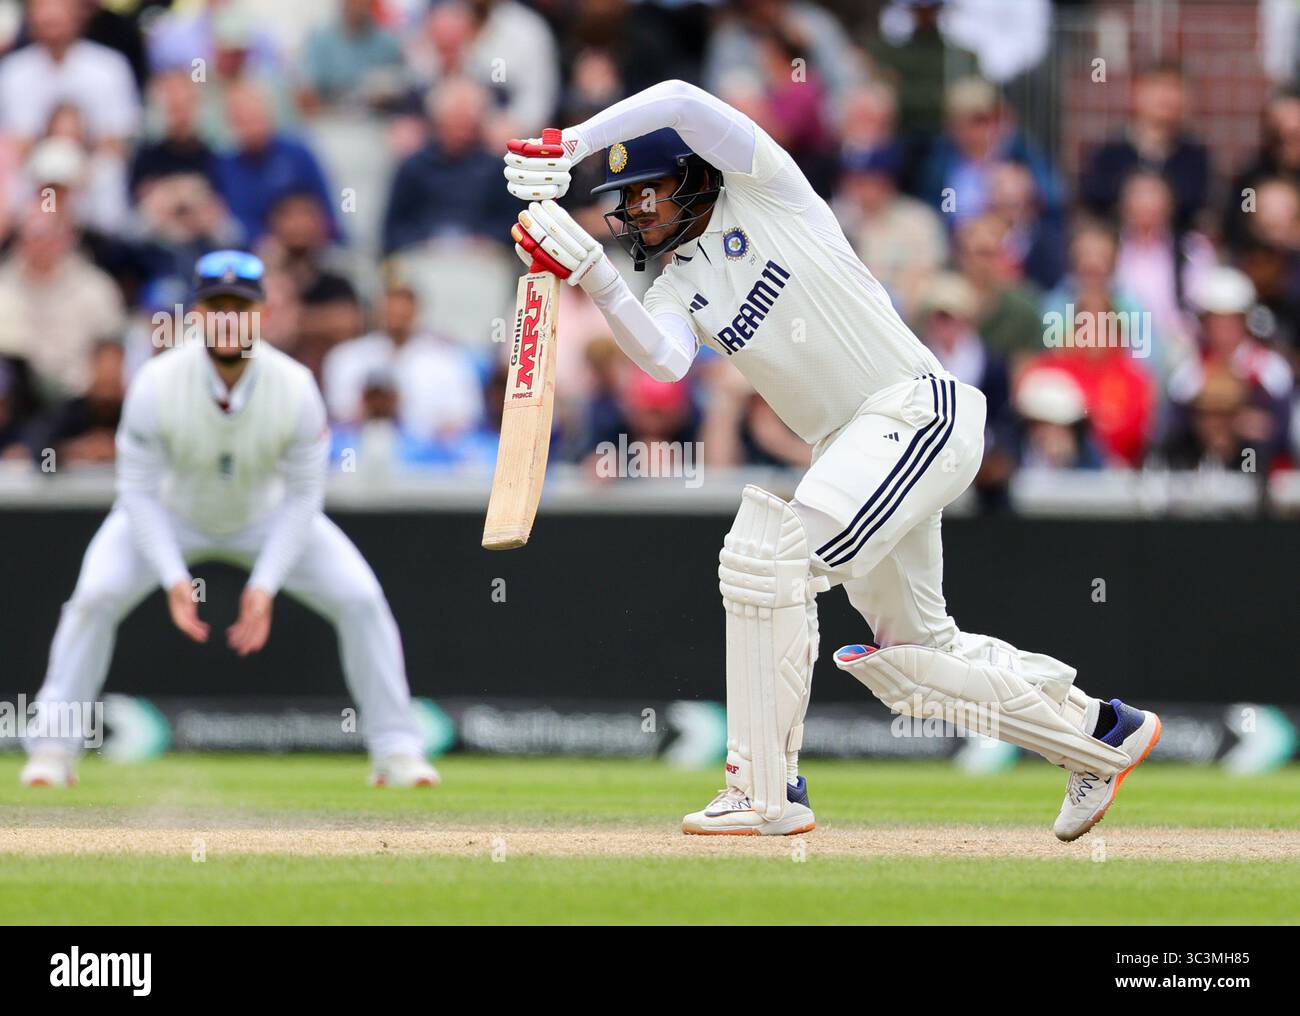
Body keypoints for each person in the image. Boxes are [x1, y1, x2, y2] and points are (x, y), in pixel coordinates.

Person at [501, 79, 1161, 841]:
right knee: (913, 663)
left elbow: (682, 100)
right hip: (852, 446)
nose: (633, 214)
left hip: (915, 410)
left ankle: (763, 787)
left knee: (769, 558)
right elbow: (664, 361)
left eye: (644, 195)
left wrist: (573, 142)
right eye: (623, 204)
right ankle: (1099, 731)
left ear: (690, 178)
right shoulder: (678, 284)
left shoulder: (766, 190)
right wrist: (592, 271)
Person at [20, 251, 437, 790]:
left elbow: (304, 497)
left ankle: (397, 750)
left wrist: (264, 585)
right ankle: (53, 748)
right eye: (216, 307)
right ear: (196, 315)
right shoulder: (155, 383)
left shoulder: (295, 387)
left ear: (262, 314)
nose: (228, 320)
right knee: (95, 597)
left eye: (240, 308)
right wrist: (173, 577)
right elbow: (137, 494)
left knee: (360, 599)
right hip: (169, 514)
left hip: (266, 516)